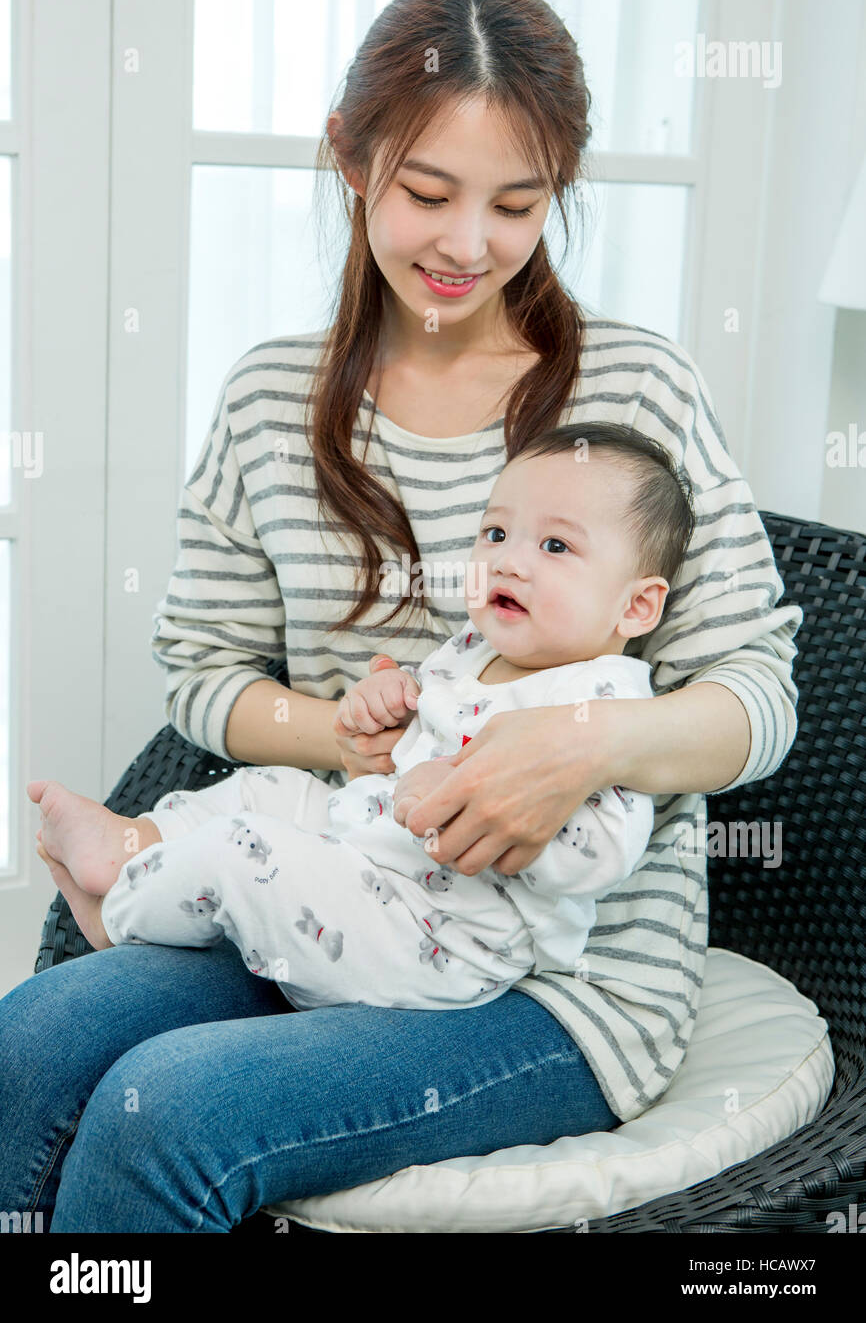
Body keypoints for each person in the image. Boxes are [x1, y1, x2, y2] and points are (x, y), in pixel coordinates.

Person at [0, 0, 802, 1233]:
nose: (465, 244)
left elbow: (757, 697)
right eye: (426, 192)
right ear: (348, 156)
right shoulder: (271, 398)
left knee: (167, 1112)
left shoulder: (636, 391)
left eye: (517, 203)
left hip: (552, 980)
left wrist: (565, 748)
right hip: (330, 899)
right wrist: (345, 733)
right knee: (26, 1047)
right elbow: (202, 671)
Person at [26, 422, 692, 1015]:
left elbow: (601, 854)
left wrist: (454, 797)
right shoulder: (477, 648)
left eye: (554, 546)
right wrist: (390, 702)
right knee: (271, 789)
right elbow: (412, 735)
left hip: (436, 935)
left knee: (243, 855)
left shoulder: (608, 704)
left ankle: (119, 914)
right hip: (367, 848)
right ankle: (136, 844)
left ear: (636, 608)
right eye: (496, 532)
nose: (509, 559)